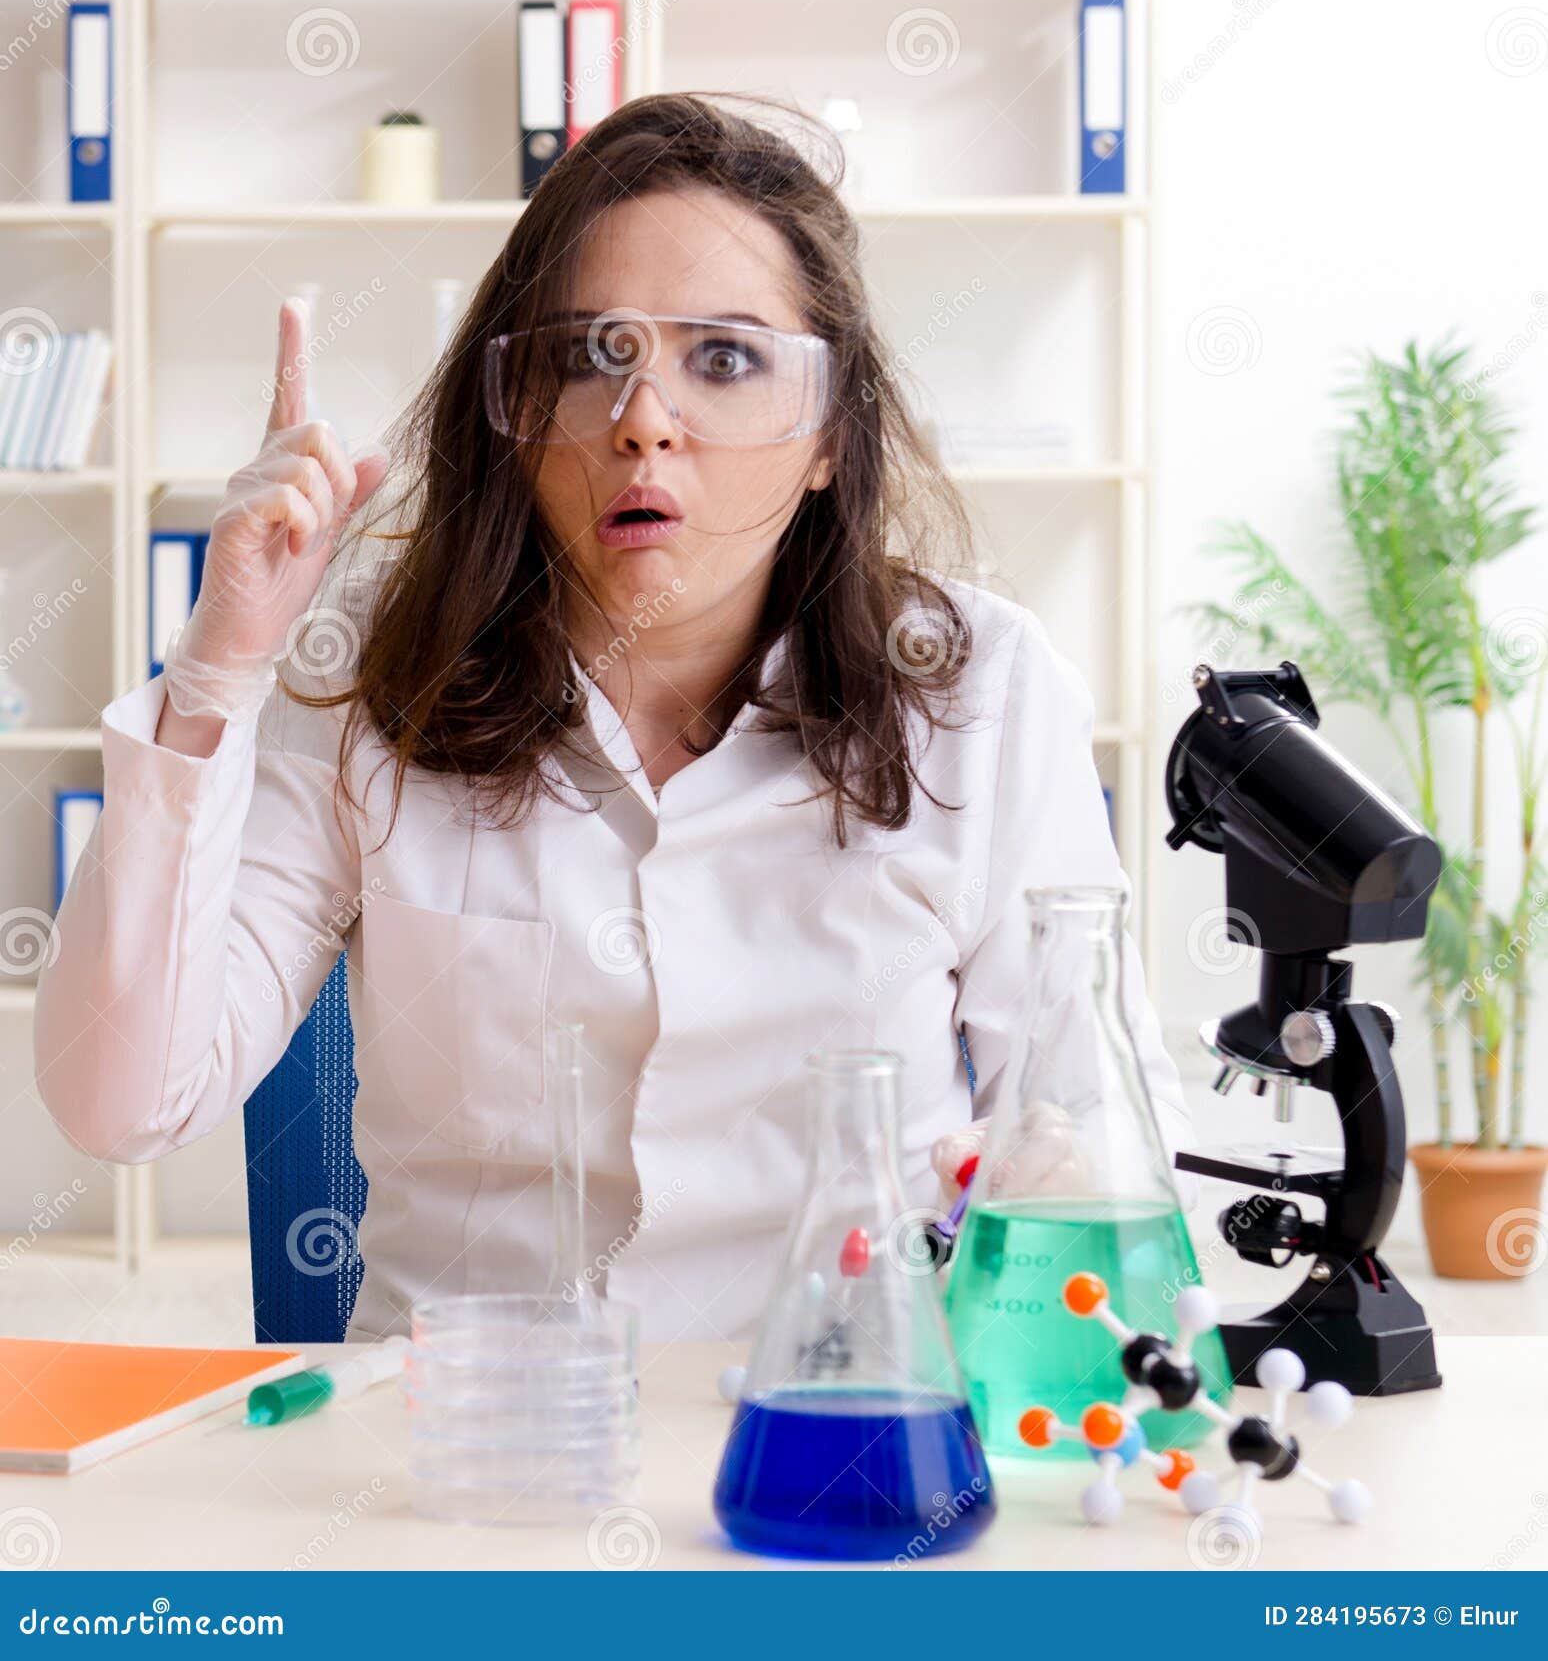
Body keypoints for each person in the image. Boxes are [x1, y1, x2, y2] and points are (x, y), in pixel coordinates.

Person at [34, 94, 1193, 1342]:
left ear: (827, 437)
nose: (645, 418)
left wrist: (1041, 1198)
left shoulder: (976, 687)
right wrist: (219, 667)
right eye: (592, 356)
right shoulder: (373, 669)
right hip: (467, 1426)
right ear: (515, 417)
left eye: (725, 359)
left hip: (838, 1412)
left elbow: (1102, 1132)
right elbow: (120, 1102)